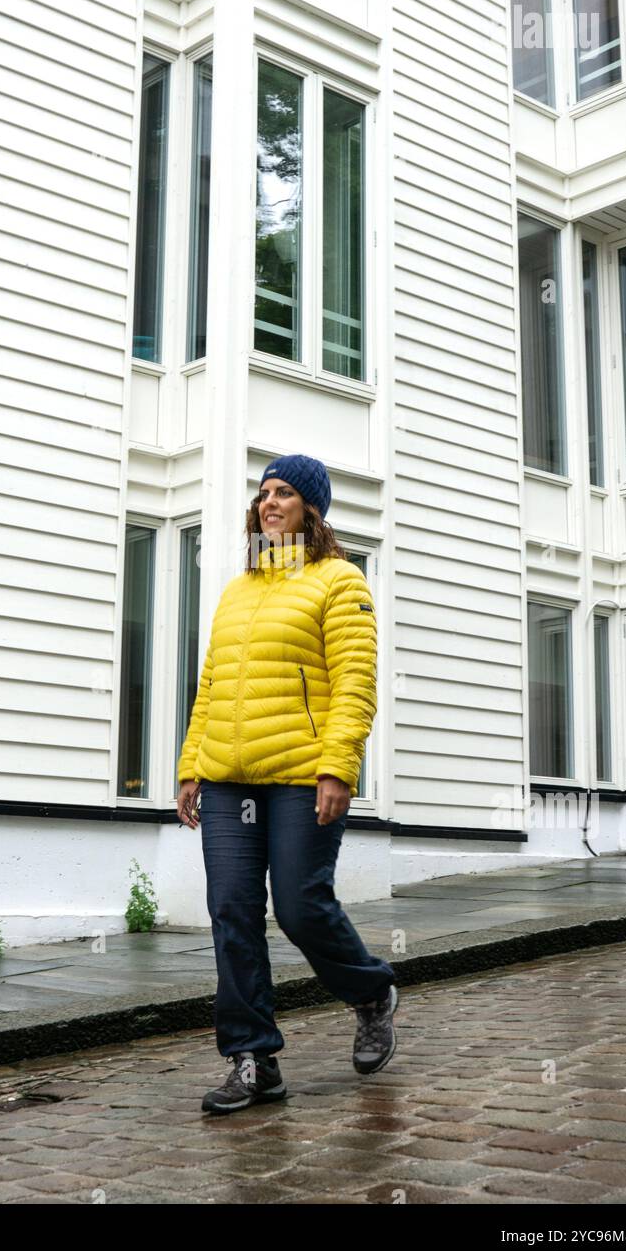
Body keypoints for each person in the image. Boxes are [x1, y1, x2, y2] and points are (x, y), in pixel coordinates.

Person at [176, 453, 398, 1115]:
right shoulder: (236, 591)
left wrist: (338, 767)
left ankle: (370, 993)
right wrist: (193, 765)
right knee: (233, 914)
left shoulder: (339, 581)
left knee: (300, 906)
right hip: (228, 780)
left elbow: (355, 685)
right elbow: (210, 686)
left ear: (312, 510)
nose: (270, 502)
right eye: (264, 493)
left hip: (303, 776)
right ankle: (252, 1059)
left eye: (285, 493)